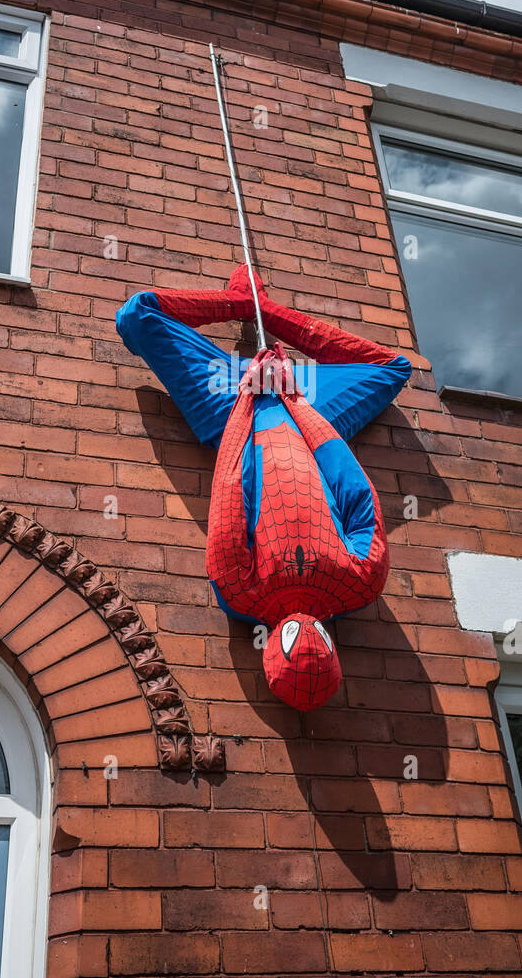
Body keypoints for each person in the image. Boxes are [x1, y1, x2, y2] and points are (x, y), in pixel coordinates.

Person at [117, 266, 411, 711]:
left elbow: (229, 490)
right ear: (333, 653)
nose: (309, 638)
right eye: (321, 650)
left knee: (138, 315)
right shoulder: (359, 584)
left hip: (231, 403)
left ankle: (239, 303)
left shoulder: (240, 595)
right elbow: (353, 489)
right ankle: (255, 305)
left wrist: (250, 394)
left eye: (297, 648)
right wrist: (290, 392)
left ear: (273, 653)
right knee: (392, 367)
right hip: (307, 405)